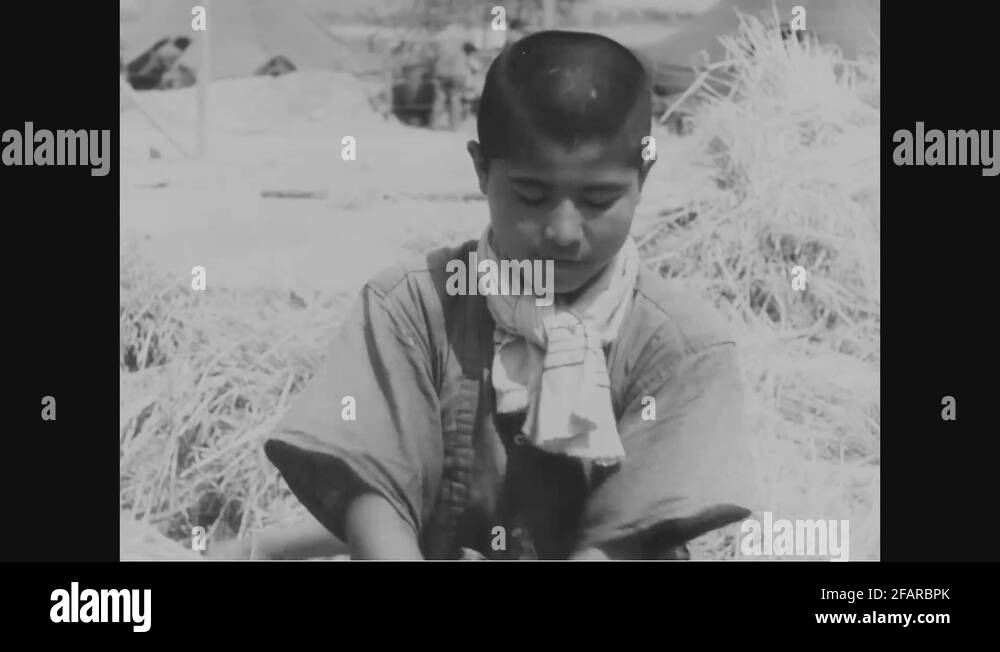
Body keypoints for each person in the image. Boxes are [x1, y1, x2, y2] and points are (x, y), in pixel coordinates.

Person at [214, 30, 755, 561]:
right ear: (480, 169)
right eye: (531, 195)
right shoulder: (411, 308)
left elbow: (625, 542)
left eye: (598, 198)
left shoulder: (684, 348)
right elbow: (373, 494)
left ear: (644, 177)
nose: (564, 231)